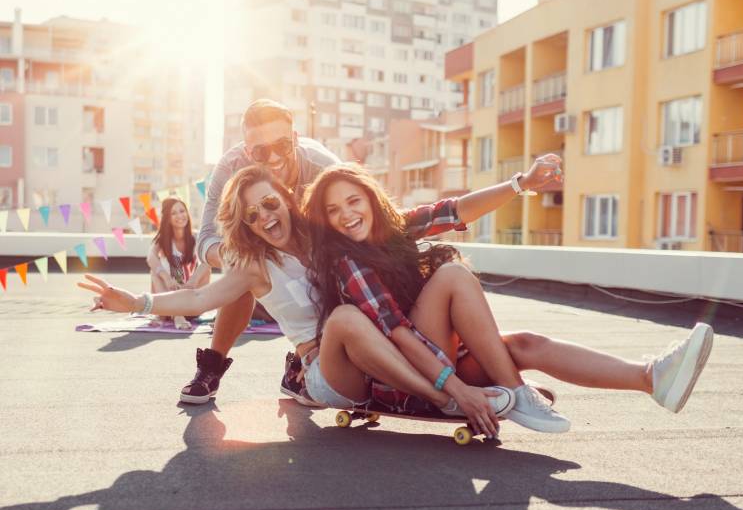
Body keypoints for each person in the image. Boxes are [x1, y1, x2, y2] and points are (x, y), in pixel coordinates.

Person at [78, 165, 559, 438]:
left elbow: (437, 215)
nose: (266, 218)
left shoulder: (326, 234)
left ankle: (488, 390)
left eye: (270, 204)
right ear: (243, 225)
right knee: (346, 319)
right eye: (252, 215)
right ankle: (449, 399)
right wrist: (136, 302)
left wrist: (518, 185)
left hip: (379, 354)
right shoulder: (252, 265)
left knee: (366, 315)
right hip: (329, 370)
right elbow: (199, 296)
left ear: (286, 199)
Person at [301, 162, 714, 425]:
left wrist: (522, 183)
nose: (346, 215)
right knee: (452, 276)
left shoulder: (396, 230)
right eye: (333, 211)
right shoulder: (348, 261)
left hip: (437, 351)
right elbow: (398, 334)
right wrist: (456, 389)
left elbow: (456, 210)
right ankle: (517, 393)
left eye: (352, 201)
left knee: (527, 344)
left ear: (371, 200)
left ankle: (652, 379)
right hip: (405, 373)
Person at [183, 98, 340, 405]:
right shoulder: (229, 169)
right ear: (246, 151)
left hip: (314, 242)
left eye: (282, 145)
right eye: (261, 151)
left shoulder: (325, 168)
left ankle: (302, 361)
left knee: (333, 263)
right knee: (240, 267)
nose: (274, 158)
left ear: (295, 138)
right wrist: (238, 258)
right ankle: (212, 365)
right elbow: (204, 240)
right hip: (254, 243)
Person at [146, 197, 210, 330]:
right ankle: (176, 314)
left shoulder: (196, 238)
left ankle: (177, 312)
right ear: (167, 219)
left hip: (189, 299)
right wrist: (167, 279)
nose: (180, 216)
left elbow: (208, 261)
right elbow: (150, 257)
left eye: (182, 211)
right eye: (174, 213)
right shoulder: (162, 240)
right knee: (154, 271)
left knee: (207, 265)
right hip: (167, 297)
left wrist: (192, 282)